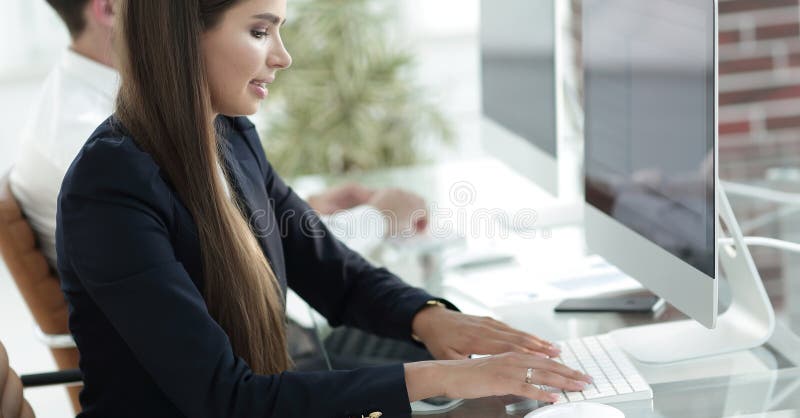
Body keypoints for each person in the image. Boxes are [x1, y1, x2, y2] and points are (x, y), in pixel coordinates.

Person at [55, 0, 592, 416]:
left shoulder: (230, 137)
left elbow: (334, 273)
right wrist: (443, 377)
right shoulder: (110, 189)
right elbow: (226, 400)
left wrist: (428, 319)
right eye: (260, 31)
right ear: (180, 37)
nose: (282, 56)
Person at [10, 0, 426, 271]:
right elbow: (232, 264)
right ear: (110, 9)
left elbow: (203, 223)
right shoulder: (95, 148)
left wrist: (305, 209)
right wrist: (377, 218)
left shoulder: (112, 105)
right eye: (259, 32)